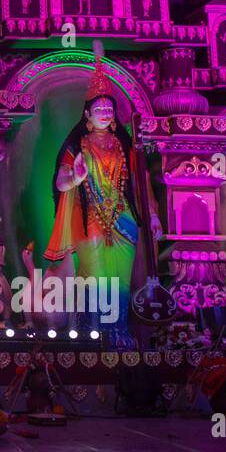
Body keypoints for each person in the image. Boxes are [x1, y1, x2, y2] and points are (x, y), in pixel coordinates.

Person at [41, 57, 160, 347]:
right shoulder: (77, 146)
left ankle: (118, 333)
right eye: (99, 109)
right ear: (87, 114)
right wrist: (76, 179)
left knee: (119, 281)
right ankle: (92, 334)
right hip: (90, 217)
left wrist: (153, 215)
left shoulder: (125, 146)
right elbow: (61, 181)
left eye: (109, 108)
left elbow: (141, 184)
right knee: (96, 276)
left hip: (124, 219)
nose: (105, 113)